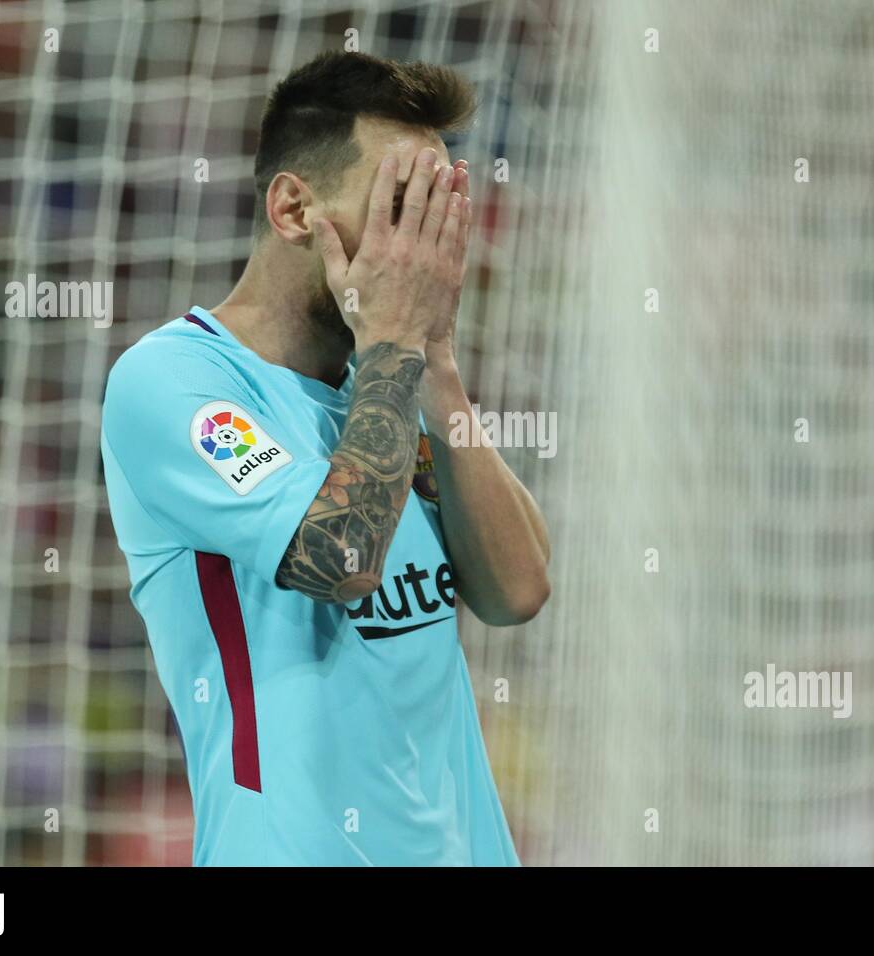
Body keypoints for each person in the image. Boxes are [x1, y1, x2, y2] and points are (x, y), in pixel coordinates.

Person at [101, 51, 550, 865]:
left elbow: (518, 591)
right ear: (291, 209)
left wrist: (436, 365)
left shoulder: (389, 382)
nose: (419, 250)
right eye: (394, 208)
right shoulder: (173, 381)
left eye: (433, 215)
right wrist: (392, 346)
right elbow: (339, 556)